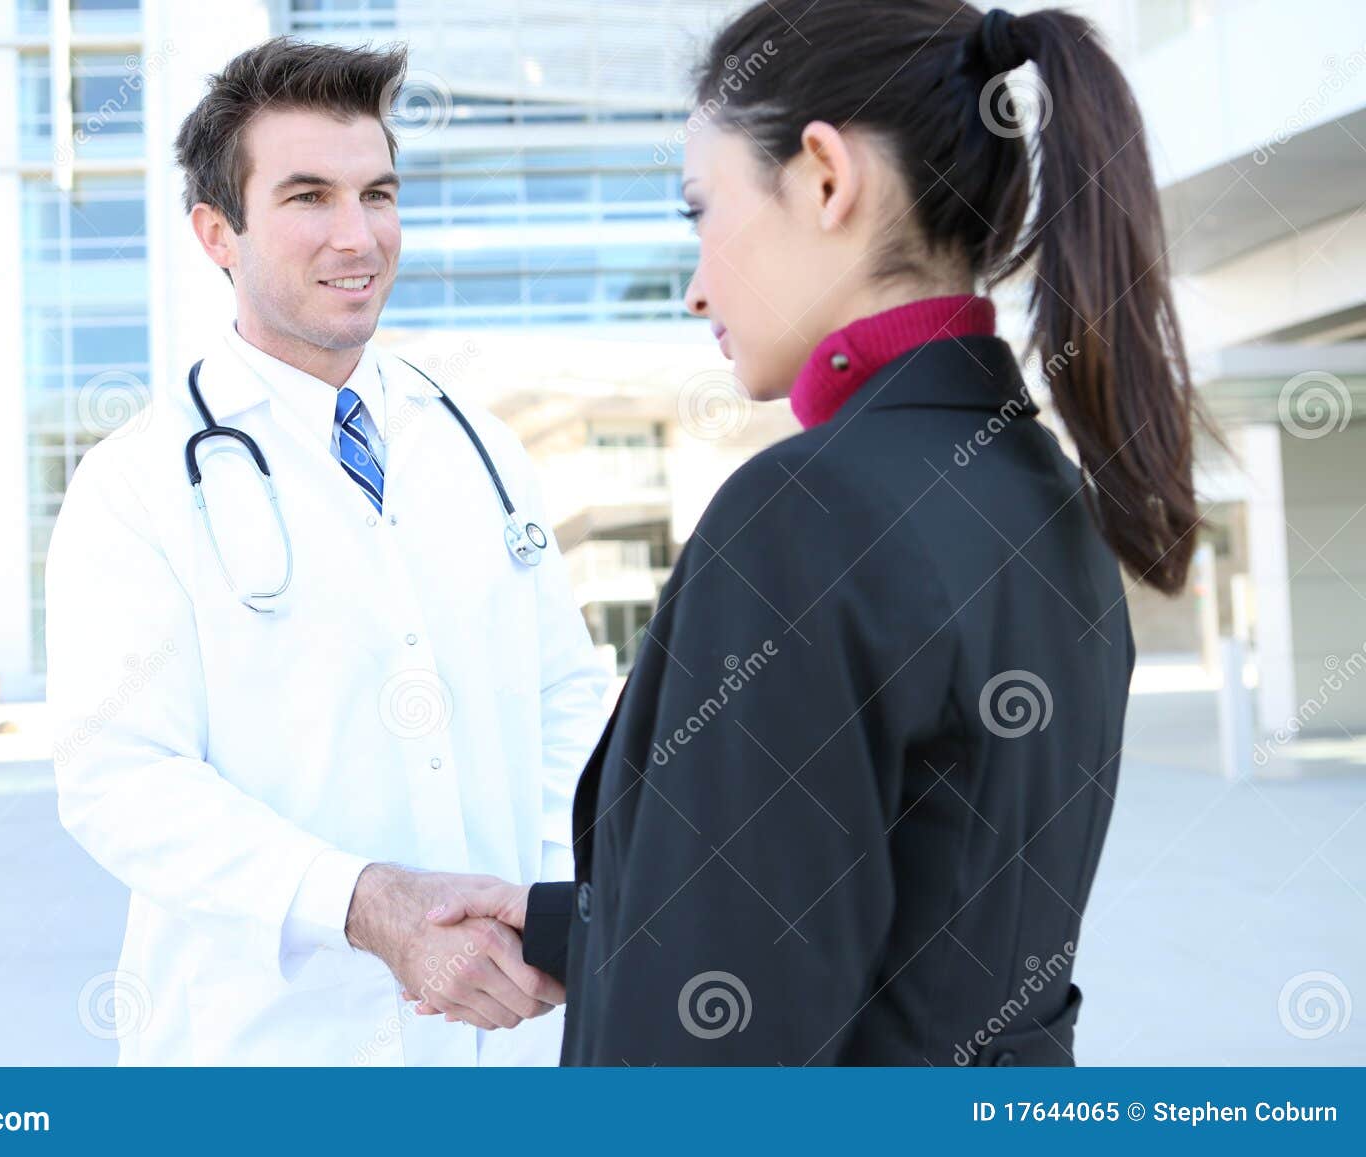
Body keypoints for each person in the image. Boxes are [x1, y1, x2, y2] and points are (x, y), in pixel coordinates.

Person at [419, 2, 1207, 1065]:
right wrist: (583, 926)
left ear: (827, 179)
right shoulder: (1043, 489)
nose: (695, 284)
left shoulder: (803, 515)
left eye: (701, 210)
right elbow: (928, 912)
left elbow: (716, 1055)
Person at [43, 38, 608, 1065]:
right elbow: (121, 778)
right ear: (217, 232)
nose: (359, 235)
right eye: (309, 197)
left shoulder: (479, 447)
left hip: (510, 1037)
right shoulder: (135, 483)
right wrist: (364, 903)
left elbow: (566, 696)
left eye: (378, 194)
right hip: (269, 1052)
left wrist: (538, 905)